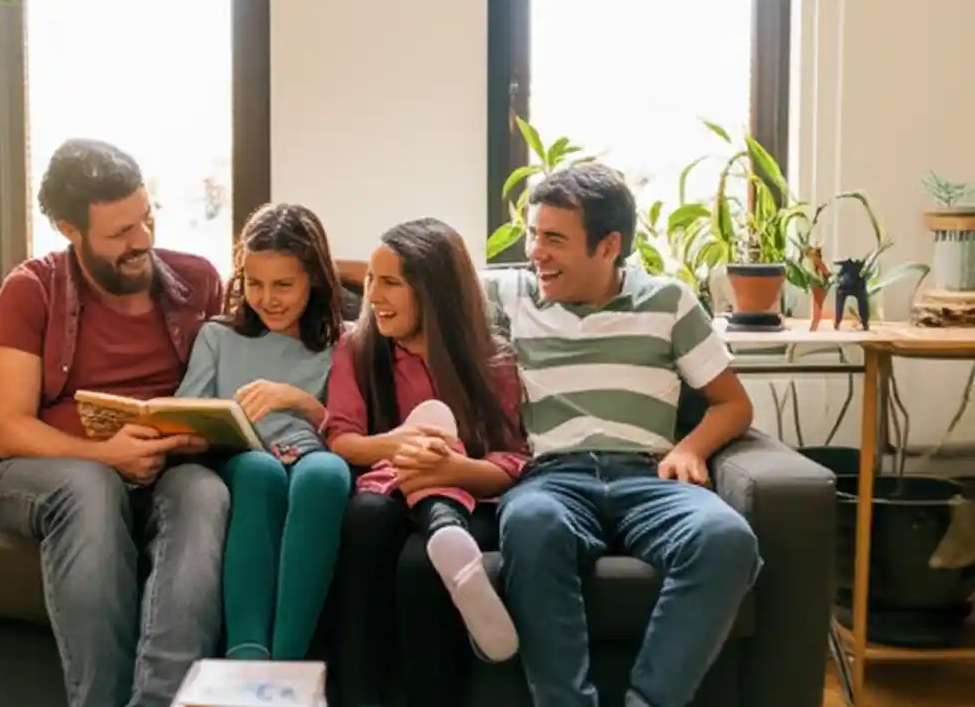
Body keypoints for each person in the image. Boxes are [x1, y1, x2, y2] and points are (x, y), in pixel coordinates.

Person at [488, 163, 760, 707]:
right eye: (533, 234)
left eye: (555, 239)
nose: (536, 251)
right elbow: (418, 273)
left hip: (649, 475)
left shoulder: (668, 300)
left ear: (609, 245)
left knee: (727, 539)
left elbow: (733, 404)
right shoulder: (508, 293)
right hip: (553, 478)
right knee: (529, 522)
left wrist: (690, 448)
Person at [0, 138, 229, 707]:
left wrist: (202, 434)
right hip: (48, 475)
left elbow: (229, 385)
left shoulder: (198, 283)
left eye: (146, 218)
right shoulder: (32, 289)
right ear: (71, 230)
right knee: (89, 488)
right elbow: (6, 428)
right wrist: (104, 455)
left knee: (204, 491)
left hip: (164, 468)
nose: (142, 241)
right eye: (120, 234)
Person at [325, 218, 528, 706]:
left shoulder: (492, 360)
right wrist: (398, 443)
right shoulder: (356, 348)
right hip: (388, 489)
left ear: (434, 291)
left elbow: (511, 460)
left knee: (422, 567)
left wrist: (453, 469)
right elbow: (342, 439)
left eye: (391, 282)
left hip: (467, 497)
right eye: (371, 280)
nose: (373, 295)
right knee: (366, 518)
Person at [174, 203, 351, 661]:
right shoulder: (217, 335)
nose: (268, 298)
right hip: (242, 456)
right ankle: (246, 654)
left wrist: (297, 400)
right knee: (260, 472)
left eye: (283, 285)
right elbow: (187, 413)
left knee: (326, 475)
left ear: (312, 278)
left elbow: (350, 427)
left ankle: (287, 664)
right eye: (255, 283)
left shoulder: (342, 344)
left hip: (311, 452)